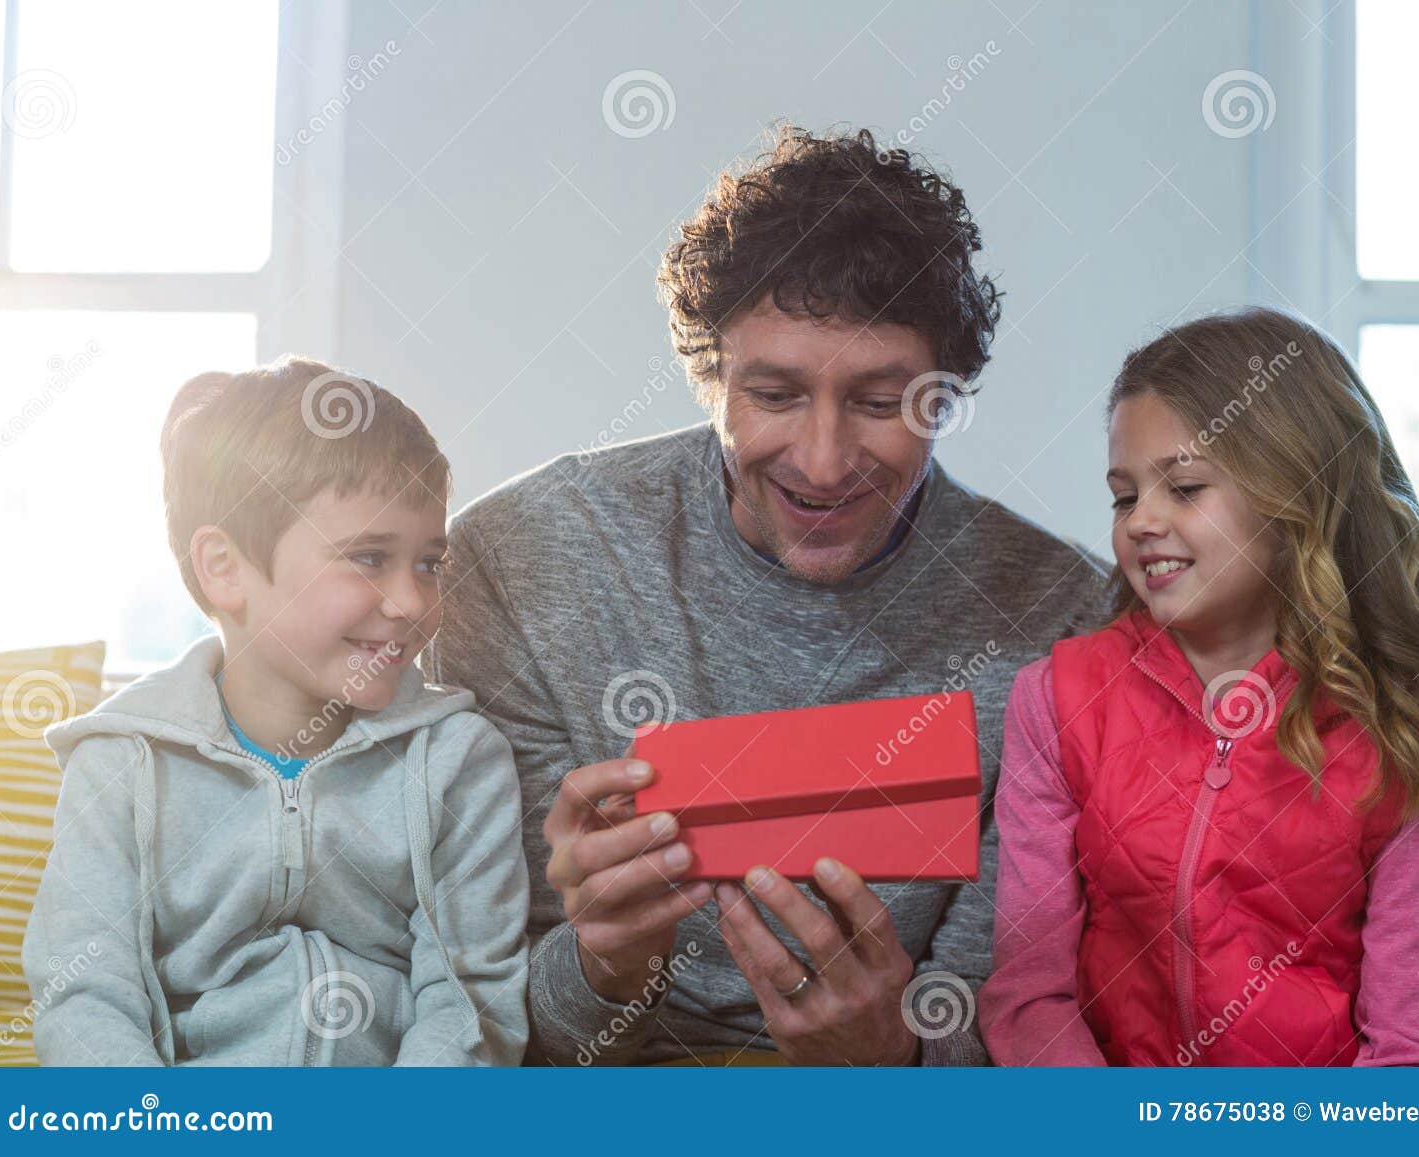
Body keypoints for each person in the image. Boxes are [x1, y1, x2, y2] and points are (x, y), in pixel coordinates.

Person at [424, 126, 1109, 1065]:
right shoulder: (521, 558)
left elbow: (1015, 1025)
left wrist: (891, 1058)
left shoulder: (1063, 617)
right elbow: (482, 1019)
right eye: (776, 395)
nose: (823, 463)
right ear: (711, 380)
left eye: (879, 402)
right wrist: (606, 968)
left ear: (944, 399)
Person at [979, 307, 1419, 1066]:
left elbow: (1411, 1050)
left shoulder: (1404, 733)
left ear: (1297, 499)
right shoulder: (1057, 699)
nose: (1140, 521)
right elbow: (1030, 997)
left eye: (1185, 487)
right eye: (1125, 496)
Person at [23, 357, 530, 1066]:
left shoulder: (458, 761)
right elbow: (85, 999)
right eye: (368, 557)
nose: (412, 602)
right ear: (224, 569)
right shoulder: (120, 764)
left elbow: (469, 998)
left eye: (428, 563)